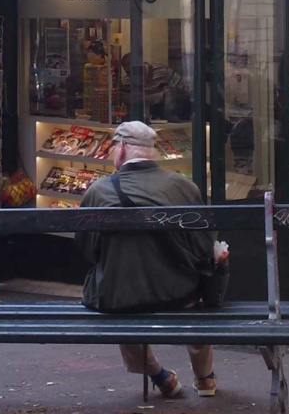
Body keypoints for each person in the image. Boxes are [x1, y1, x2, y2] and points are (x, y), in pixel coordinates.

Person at [76, 121, 219, 399]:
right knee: (200, 279)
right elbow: (203, 246)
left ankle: (160, 377)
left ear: (123, 149)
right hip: (178, 294)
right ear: (151, 151)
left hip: (121, 300)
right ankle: (205, 379)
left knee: (114, 285)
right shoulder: (183, 186)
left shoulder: (98, 191)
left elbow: (86, 249)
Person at [119, 54, 190, 122]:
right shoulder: (127, 82)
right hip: (147, 120)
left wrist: (164, 96)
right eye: (129, 72)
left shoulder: (163, 72)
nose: (134, 75)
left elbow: (183, 94)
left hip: (174, 118)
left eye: (137, 70)